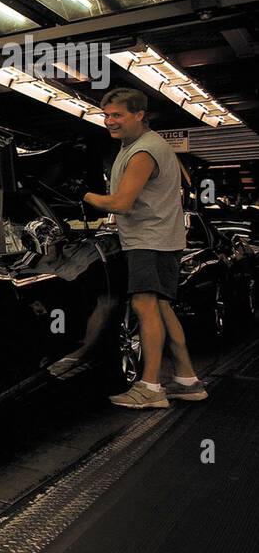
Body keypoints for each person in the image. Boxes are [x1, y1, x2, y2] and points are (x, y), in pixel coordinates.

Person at [82, 88, 207, 408]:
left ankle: (150, 387)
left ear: (139, 115)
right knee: (162, 308)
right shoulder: (138, 145)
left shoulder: (144, 152)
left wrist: (85, 196)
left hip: (148, 241)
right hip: (160, 239)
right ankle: (187, 380)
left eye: (117, 115)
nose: (110, 121)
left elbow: (122, 203)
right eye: (106, 115)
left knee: (144, 306)